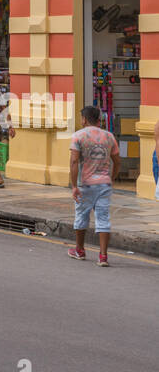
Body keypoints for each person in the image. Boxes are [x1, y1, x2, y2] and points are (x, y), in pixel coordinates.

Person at [68, 106, 120, 265]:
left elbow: (74, 162)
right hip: (104, 184)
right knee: (103, 219)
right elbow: (117, 161)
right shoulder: (109, 136)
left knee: (81, 217)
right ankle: (103, 256)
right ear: (99, 119)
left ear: (84, 119)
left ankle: (80, 250)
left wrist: (74, 186)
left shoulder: (78, 136)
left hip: (85, 184)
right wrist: (111, 178)